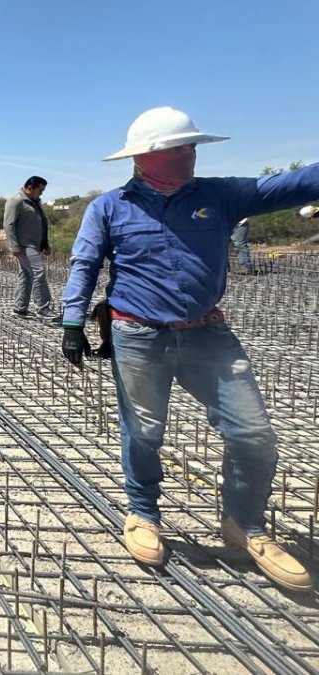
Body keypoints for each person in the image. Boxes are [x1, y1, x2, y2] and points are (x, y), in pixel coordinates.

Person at [60, 106, 319, 591]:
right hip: (137, 335)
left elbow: (293, 184)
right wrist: (73, 321)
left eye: (192, 146)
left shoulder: (219, 195)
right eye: (180, 147)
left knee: (253, 433)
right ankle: (143, 514)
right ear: (147, 156)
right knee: (144, 432)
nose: (190, 154)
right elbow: (85, 262)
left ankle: (246, 526)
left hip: (207, 333)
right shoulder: (110, 207)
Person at [4, 176, 57, 321]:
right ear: (29, 188)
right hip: (24, 245)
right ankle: (43, 308)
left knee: (27, 275)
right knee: (38, 271)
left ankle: (20, 308)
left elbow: (42, 223)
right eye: (40, 190)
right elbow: (8, 225)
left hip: (34, 244)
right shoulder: (16, 201)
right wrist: (14, 245)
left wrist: (45, 243)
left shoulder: (35, 202)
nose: (41, 193)